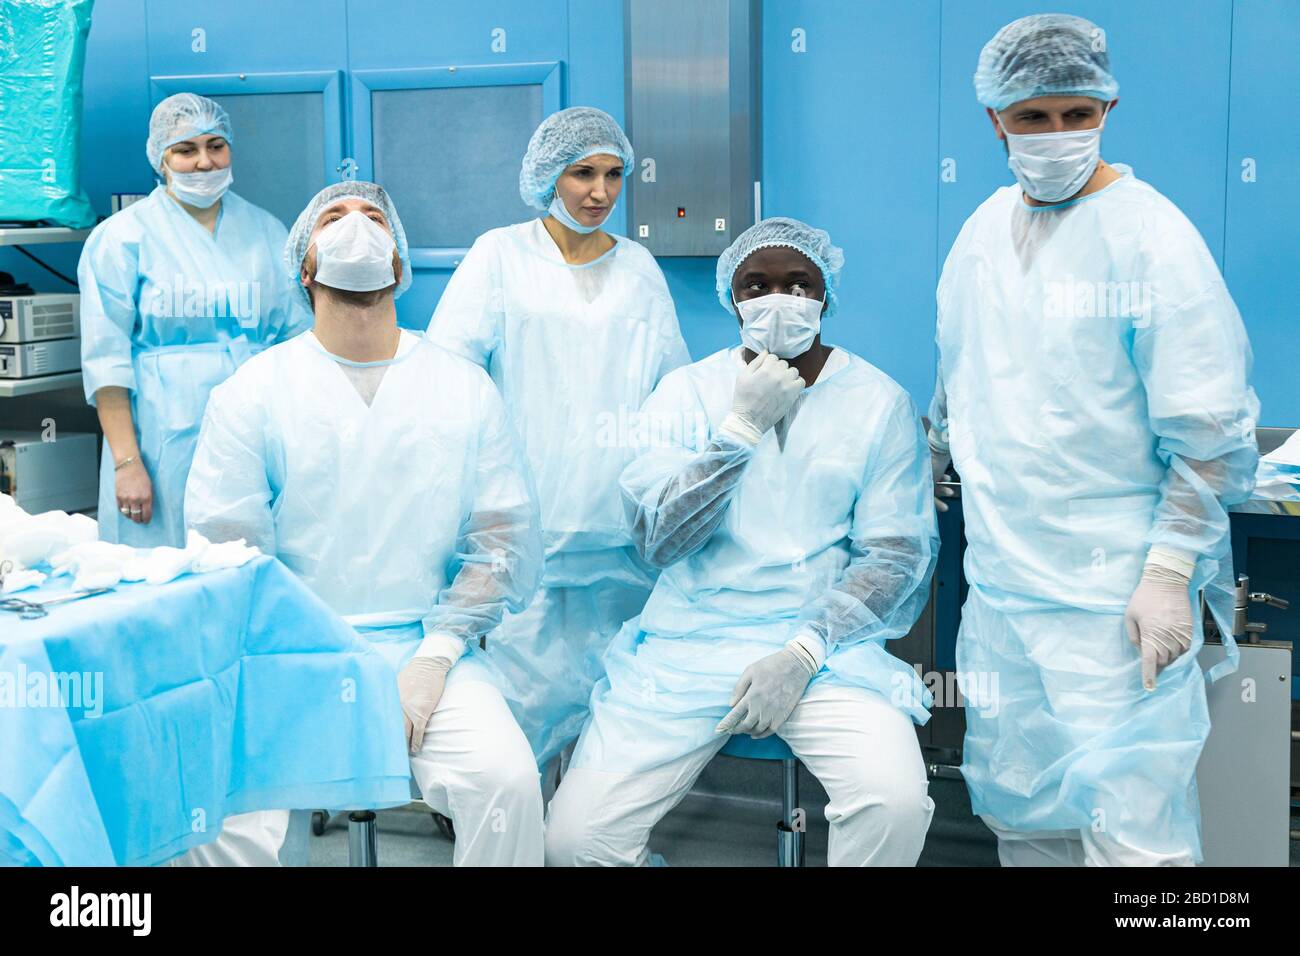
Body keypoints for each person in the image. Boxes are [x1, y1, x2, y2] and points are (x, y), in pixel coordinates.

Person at [929, 14, 1259, 866]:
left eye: (1078, 114)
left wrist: (1165, 573)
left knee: (1135, 833)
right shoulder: (978, 236)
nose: (1057, 135)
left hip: (1112, 596)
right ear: (993, 121)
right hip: (1003, 589)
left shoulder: (1153, 237)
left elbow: (1212, 432)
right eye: (1033, 117)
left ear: (1110, 106)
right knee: (1026, 815)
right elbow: (960, 388)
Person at [545, 218, 939, 866]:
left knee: (892, 803)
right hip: (689, 643)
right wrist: (738, 430)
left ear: (826, 296)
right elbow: (660, 539)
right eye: (757, 284)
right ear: (733, 298)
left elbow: (895, 556)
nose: (779, 299)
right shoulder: (686, 393)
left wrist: (804, 653)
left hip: (823, 651)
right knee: (575, 840)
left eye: (799, 283)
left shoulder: (878, 402)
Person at [180, 182, 546, 866]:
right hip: (286, 648)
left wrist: (435, 659)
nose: (356, 225)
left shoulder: (463, 387)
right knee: (215, 815)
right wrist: (304, 658)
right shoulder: (253, 392)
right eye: (334, 218)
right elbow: (230, 558)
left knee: (508, 782)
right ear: (304, 268)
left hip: (426, 643)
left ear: (399, 264)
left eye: (374, 217)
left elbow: (501, 544)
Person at [427, 107, 690, 767]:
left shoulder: (638, 270)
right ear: (548, 175)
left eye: (612, 174)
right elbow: (446, 383)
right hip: (528, 529)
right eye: (582, 173)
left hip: (617, 536)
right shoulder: (500, 257)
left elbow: (674, 391)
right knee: (521, 710)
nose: (600, 191)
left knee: (608, 710)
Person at [78, 93, 310, 547]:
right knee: (160, 570)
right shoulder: (122, 239)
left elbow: (297, 341)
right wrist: (127, 463)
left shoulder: (266, 231)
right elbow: (107, 363)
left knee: (248, 558)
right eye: (186, 150)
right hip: (160, 441)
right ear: (160, 159)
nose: (204, 162)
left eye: (215, 145)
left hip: (255, 433)